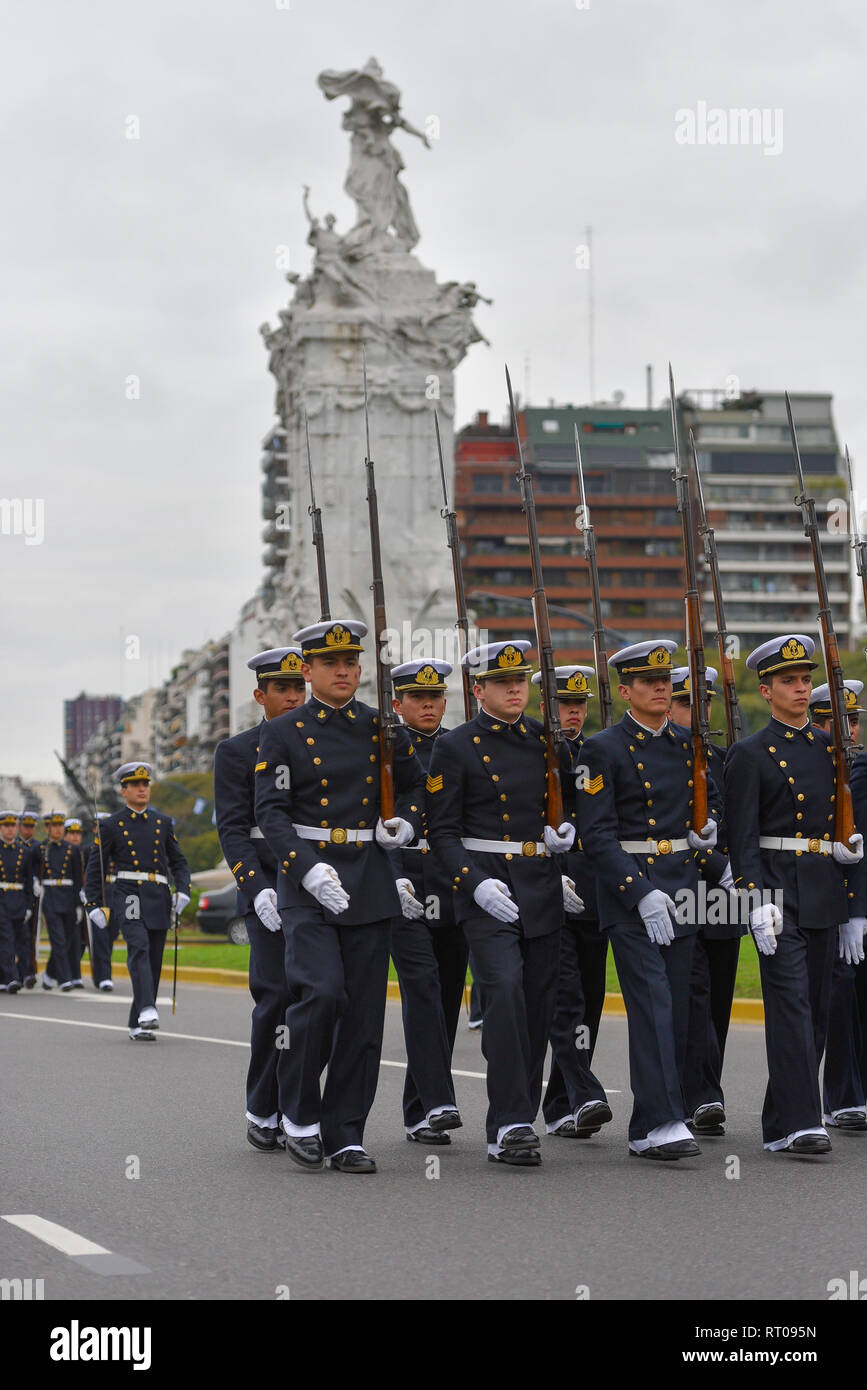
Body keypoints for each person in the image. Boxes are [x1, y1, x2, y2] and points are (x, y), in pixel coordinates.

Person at [254, 619, 424, 1173]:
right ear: (308, 670)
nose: (345, 671)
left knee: (364, 1018)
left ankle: (345, 1130)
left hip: (368, 880)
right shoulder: (282, 733)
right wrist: (304, 871)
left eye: (352, 663)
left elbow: (419, 785)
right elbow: (270, 814)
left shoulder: (382, 727)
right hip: (308, 883)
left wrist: (404, 824)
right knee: (321, 995)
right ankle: (300, 1117)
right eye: (331, 664)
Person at [425, 639, 578, 1167]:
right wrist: (472, 882)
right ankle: (509, 1121)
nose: (516, 689)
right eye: (502, 683)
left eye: (521, 682)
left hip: (540, 883)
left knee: (538, 1006)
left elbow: (570, 811)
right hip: (487, 889)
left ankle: (520, 1116)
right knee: (506, 994)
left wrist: (564, 836)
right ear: (478, 689)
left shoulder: (546, 740)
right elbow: (441, 833)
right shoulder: (457, 747)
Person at [577, 640, 721, 1161]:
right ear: (625, 691)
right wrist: (640, 893)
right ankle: (658, 1121)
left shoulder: (689, 744)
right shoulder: (603, 749)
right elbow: (597, 837)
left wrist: (707, 837)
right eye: (648, 681)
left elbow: (700, 819)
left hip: (681, 888)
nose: (661, 688)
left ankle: (657, 1119)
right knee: (654, 1006)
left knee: (679, 1009)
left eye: (666, 680)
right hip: (631, 896)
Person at [726, 635, 862, 1154]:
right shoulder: (750, 754)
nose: (801, 689)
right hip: (778, 889)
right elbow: (740, 837)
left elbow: (840, 821)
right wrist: (754, 900)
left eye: (805, 680)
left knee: (818, 1011)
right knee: (790, 1005)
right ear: (766, 690)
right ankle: (805, 1121)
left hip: (825, 886)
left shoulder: (833, 750)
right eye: (789, 682)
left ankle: (779, 1121)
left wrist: (847, 852)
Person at [214, 646, 307, 1152]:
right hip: (269, 888)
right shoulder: (236, 752)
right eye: (281, 690)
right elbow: (232, 829)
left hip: (320, 887)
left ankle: (300, 1106)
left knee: (318, 999)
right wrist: (255, 887)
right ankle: (263, 1106)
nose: (293, 697)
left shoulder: (324, 742)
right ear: (260, 695)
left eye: (299, 688)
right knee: (274, 997)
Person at [388, 658, 469, 1146]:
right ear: (398, 704)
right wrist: (394, 879)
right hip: (403, 881)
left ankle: (419, 1111)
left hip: (451, 881)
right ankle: (439, 1099)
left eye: (436, 697)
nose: (428, 705)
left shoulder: (458, 747)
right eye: (418, 697)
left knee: (444, 997)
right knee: (420, 986)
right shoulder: (384, 748)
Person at [533, 665, 612, 1141]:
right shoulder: (531, 752)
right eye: (564, 705)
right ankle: (585, 1093)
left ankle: (561, 1104)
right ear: (547, 706)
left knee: (592, 1001)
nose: (573, 713)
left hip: (592, 892)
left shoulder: (594, 754)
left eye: (580, 706)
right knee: (566, 1000)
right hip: (548, 889)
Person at [670, 665, 742, 1137]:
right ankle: (699, 1096)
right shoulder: (656, 758)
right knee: (690, 996)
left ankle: (703, 1092)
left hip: (725, 896)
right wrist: (718, 866)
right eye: (687, 701)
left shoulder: (724, 759)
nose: (700, 710)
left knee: (717, 999)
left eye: (706, 701)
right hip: (680, 891)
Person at [85, 764, 190, 1041]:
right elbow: (95, 866)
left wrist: (184, 890)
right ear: (124, 790)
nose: (143, 789)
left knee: (154, 959)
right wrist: (93, 904)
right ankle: (146, 1008)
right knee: (139, 948)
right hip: (128, 892)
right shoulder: (111, 824)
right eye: (135, 784)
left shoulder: (162, 822)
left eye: (146, 784)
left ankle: (138, 1023)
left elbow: (178, 861)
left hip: (158, 893)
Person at [809, 679, 867, 1131]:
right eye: (835, 722)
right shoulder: (810, 768)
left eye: (852, 720)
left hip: (853, 900)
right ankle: (839, 1097)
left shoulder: (859, 768)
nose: (847, 730)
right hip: (821, 897)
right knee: (837, 996)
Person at [34, 812, 85, 991]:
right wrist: (35, 883)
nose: (57, 829)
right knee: (58, 939)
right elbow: (31, 870)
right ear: (47, 828)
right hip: (51, 896)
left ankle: (49, 974)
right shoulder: (41, 849)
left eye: (60, 825)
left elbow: (78, 878)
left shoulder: (72, 850)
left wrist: (79, 903)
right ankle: (64, 979)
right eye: (53, 826)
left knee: (69, 939)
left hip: (69, 896)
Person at [0, 811, 35, 993]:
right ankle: (11, 977)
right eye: (6, 826)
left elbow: (28, 882)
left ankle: (22, 974)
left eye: (12, 826)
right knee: (6, 939)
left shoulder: (24, 852)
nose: (10, 830)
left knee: (22, 939)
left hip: (19, 900)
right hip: (1, 899)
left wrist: (29, 906)